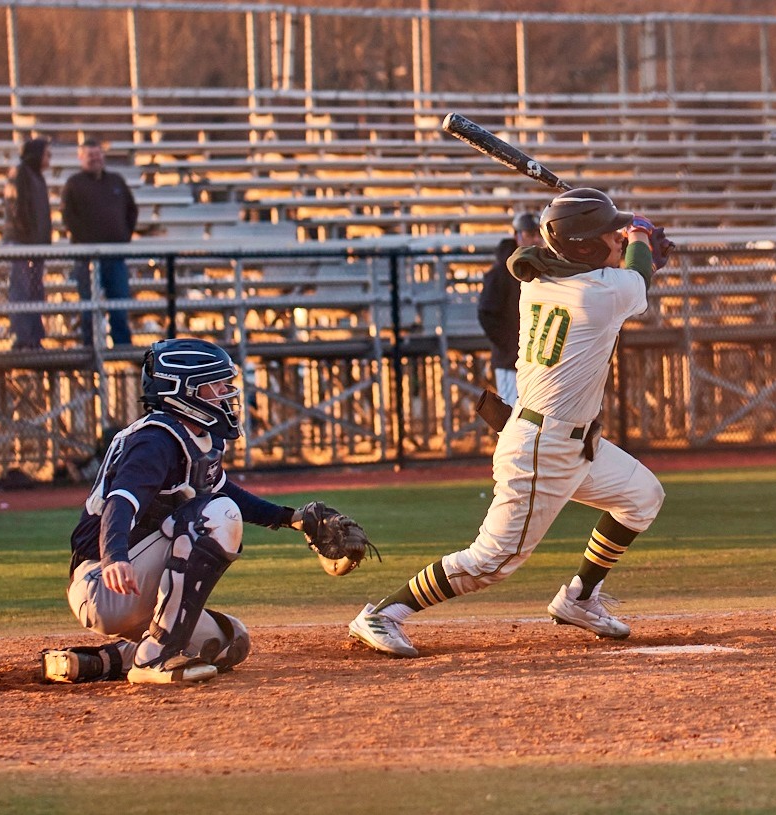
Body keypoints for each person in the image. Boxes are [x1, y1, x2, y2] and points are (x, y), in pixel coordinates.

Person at [349, 188, 666, 657]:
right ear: (582, 246)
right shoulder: (600, 293)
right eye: (608, 234)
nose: (616, 239)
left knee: (642, 496)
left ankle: (579, 598)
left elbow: (538, 255)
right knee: (491, 562)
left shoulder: (539, 278)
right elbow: (636, 277)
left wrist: (618, 232)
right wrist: (640, 234)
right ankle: (384, 613)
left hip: (572, 441)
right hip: (543, 446)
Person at [40, 338, 370, 684]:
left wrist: (289, 518)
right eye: (217, 384)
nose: (228, 391)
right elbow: (119, 504)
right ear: (186, 391)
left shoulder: (197, 436)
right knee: (217, 515)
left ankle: (99, 662)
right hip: (105, 582)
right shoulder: (155, 440)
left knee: (229, 642)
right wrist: (115, 556)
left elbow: (223, 488)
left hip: (134, 581)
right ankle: (157, 656)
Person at [61, 139, 138, 347]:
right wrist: (85, 242)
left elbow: (132, 210)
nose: (95, 159)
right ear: (81, 158)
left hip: (115, 255)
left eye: (98, 154)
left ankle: (122, 345)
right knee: (89, 305)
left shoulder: (116, 181)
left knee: (119, 304)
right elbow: (68, 217)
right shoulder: (74, 184)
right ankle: (90, 346)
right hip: (87, 258)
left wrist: (123, 237)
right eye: (90, 155)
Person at [477, 211, 542, 405]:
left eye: (539, 234)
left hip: (537, 363)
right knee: (513, 420)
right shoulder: (501, 272)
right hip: (510, 362)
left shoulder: (544, 269)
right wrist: (511, 345)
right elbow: (486, 314)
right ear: (517, 236)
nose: (536, 240)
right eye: (530, 235)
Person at [2, 137, 53, 349]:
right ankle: (23, 337)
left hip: (34, 245)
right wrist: (30, 240)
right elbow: (19, 211)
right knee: (22, 290)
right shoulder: (21, 173)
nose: (49, 158)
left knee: (34, 291)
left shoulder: (35, 176)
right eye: (47, 154)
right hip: (23, 244)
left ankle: (34, 336)